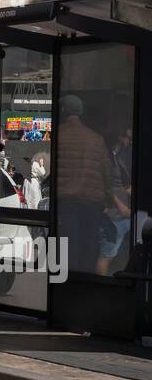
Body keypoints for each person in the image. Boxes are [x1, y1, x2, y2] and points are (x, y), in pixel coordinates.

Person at [57, 95, 113, 276]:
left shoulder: (59, 135)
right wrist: (108, 200)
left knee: (67, 247)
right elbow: (107, 172)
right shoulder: (96, 138)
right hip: (92, 202)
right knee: (88, 247)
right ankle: (86, 286)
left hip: (65, 201)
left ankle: (67, 286)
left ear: (63, 111)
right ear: (80, 113)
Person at [97, 127, 132, 276]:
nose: (129, 142)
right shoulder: (107, 159)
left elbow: (122, 184)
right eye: (128, 138)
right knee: (107, 256)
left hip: (123, 216)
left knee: (115, 255)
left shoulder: (116, 157)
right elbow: (106, 186)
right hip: (115, 216)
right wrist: (121, 206)